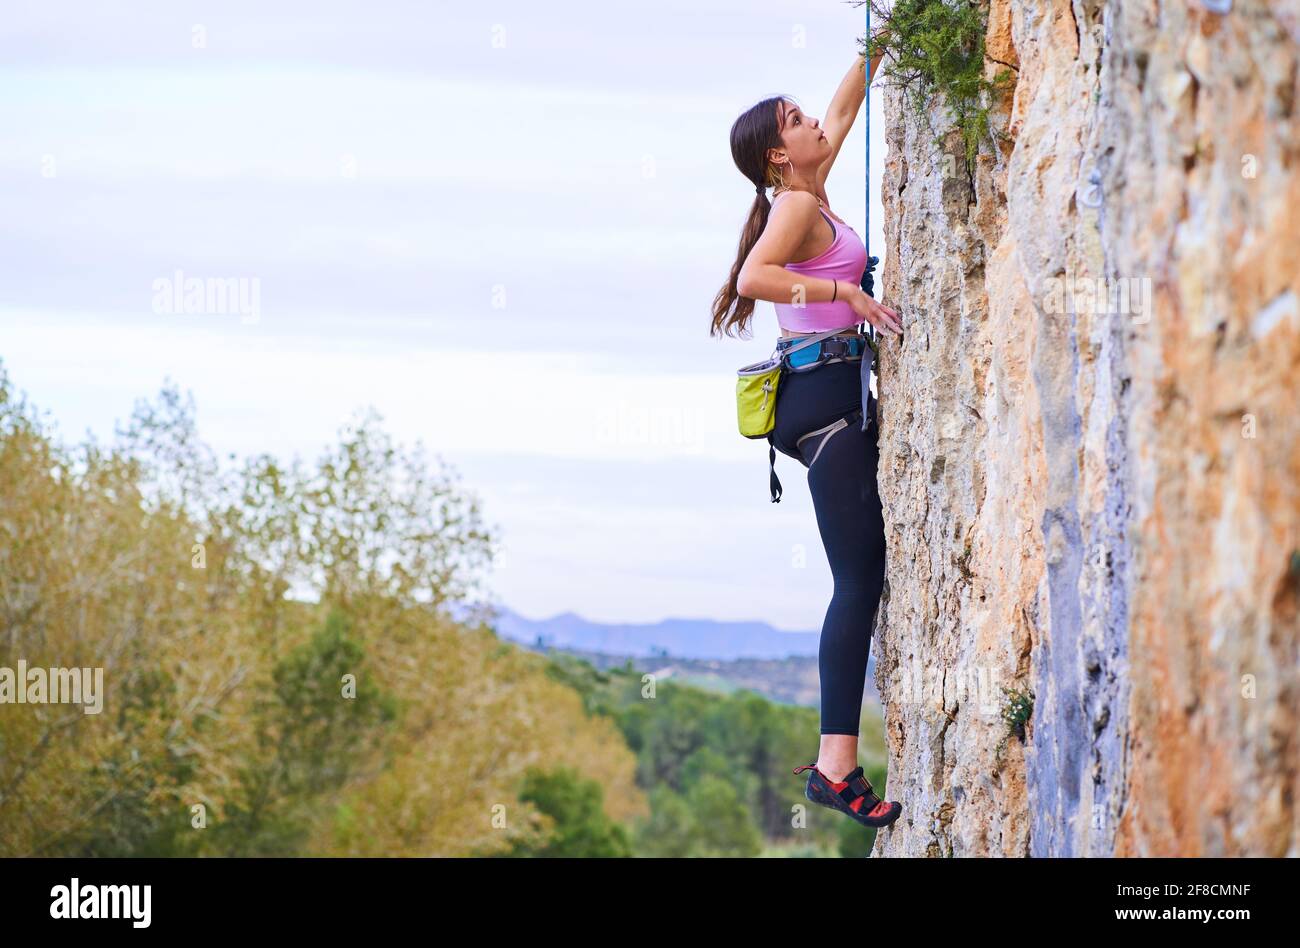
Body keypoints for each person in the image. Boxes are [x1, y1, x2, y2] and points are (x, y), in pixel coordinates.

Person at [709, 45, 905, 830]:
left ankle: (837, 759)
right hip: (822, 407)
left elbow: (847, 106)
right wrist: (843, 292)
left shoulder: (809, 191)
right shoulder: (793, 208)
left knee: (862, 576)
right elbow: (755, 279)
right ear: (776, 157)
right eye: (796, 120)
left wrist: (882, 38)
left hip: (818, 402)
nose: (814, 121)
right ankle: (834, 766)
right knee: (857, 581)